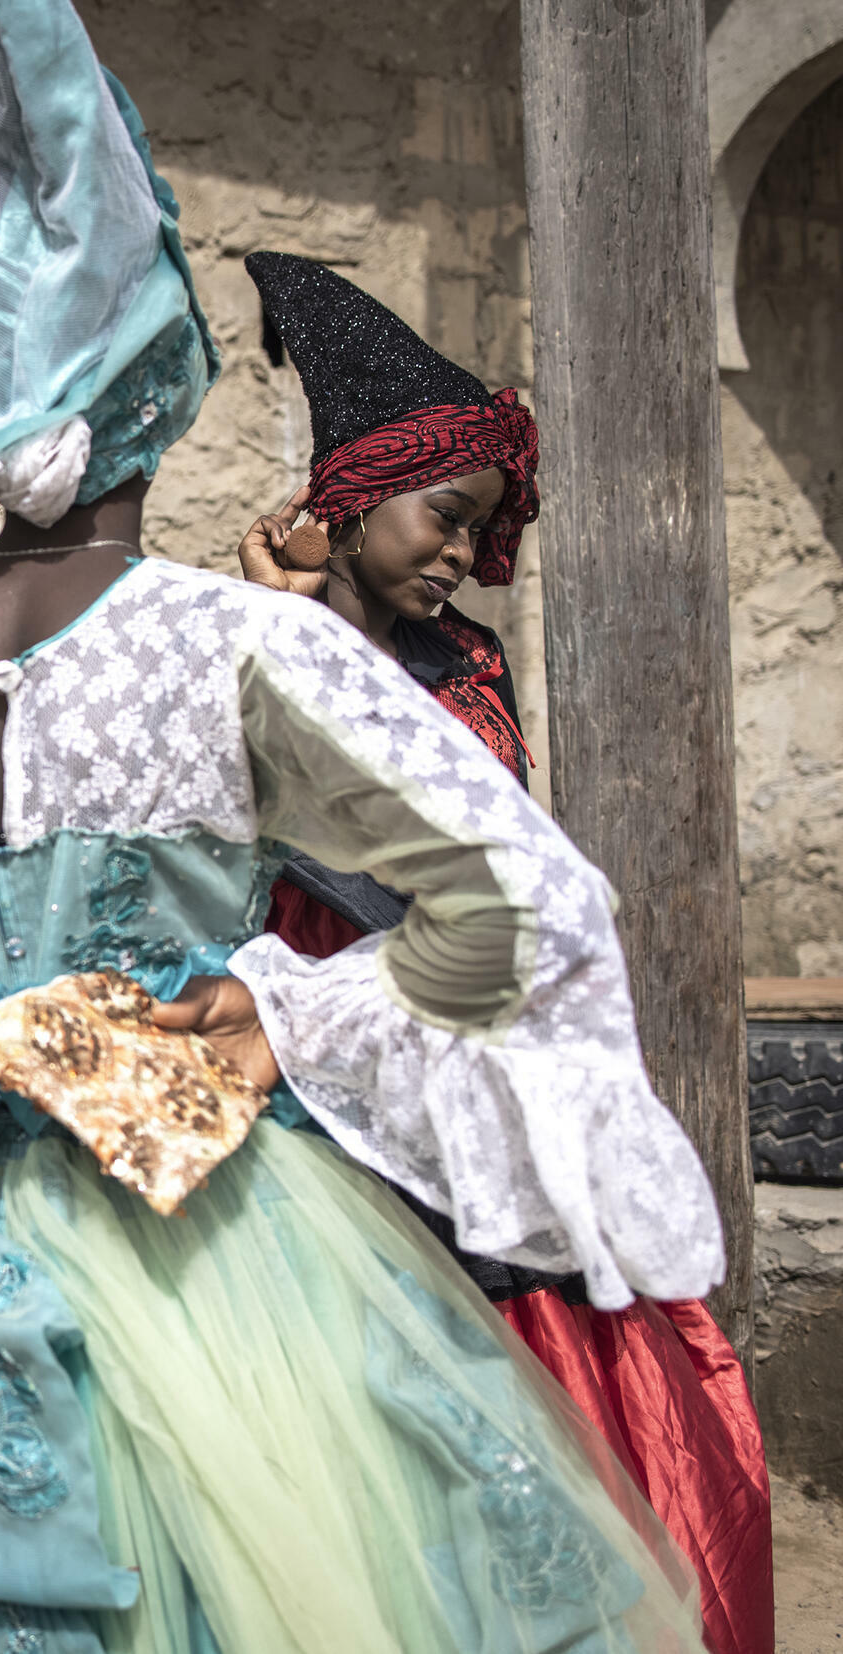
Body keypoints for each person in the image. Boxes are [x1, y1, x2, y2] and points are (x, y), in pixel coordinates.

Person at [0, 0, 725, 1648]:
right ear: (162, 396)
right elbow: (524, 902)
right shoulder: (233, 643)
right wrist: (288, 1019)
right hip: (208, 1248)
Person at [234, 249, 775, 1654]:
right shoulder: (255, 642)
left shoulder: (471, 663)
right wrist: (288, 625)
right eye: (443, 518)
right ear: (351, 494)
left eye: (479, 530)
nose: (459, 555)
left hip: (471, 1045)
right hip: (321, 1054)